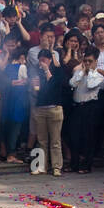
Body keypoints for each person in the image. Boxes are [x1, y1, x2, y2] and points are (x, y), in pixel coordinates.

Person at [29, 41, 68, 177]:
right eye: (40, 60)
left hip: (54, 108)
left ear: (50, 60)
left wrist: (47, 70)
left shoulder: (57, 71)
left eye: (44, 60)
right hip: (40, 109)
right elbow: (36, 92)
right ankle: (42, 166)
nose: (42, 62)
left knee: (55, 140)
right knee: (42, 140)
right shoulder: (36, 72)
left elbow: (55, 86)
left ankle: (57, 167)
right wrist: (33, 87)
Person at [67, 46, 104, 173]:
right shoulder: (79, 73)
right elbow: (72, 83)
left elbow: (90, 85)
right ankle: (74, 164)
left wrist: (89, 72)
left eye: (90, 61)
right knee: (74, 136)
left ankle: (86, 165)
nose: (87, 63)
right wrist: (81, 72)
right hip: (78, 106)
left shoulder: (99, 76)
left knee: (88, 137)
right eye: (85, 61)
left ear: (96, 61)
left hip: (90, 106)